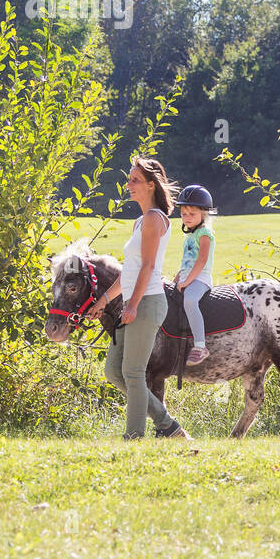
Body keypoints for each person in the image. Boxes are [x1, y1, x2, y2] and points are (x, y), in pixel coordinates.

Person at [88, 157, 189, 440]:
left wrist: (131, 305)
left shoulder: (155, 219)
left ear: (151, 185)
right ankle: (168, 425)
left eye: (134, 180)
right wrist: (105, 300)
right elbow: (129, 272)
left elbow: (147, 267)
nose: (128, 184)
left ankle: (133, 436)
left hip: (147, 303)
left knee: (133, 372)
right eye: (129, 178)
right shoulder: (139, 222)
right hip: (133, 302)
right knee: (114, 372)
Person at [175, 184, 216, 365]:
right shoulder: (188, 236)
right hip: (188, 277)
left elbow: (201, 261)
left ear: (203, 214)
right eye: (184, 214)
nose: (187, 218)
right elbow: (187, 262)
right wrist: (178, 277)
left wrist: (186, 282)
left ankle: (200, 346)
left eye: (192, 214)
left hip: (200, 279)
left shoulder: (205, 234)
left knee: (190, 300)